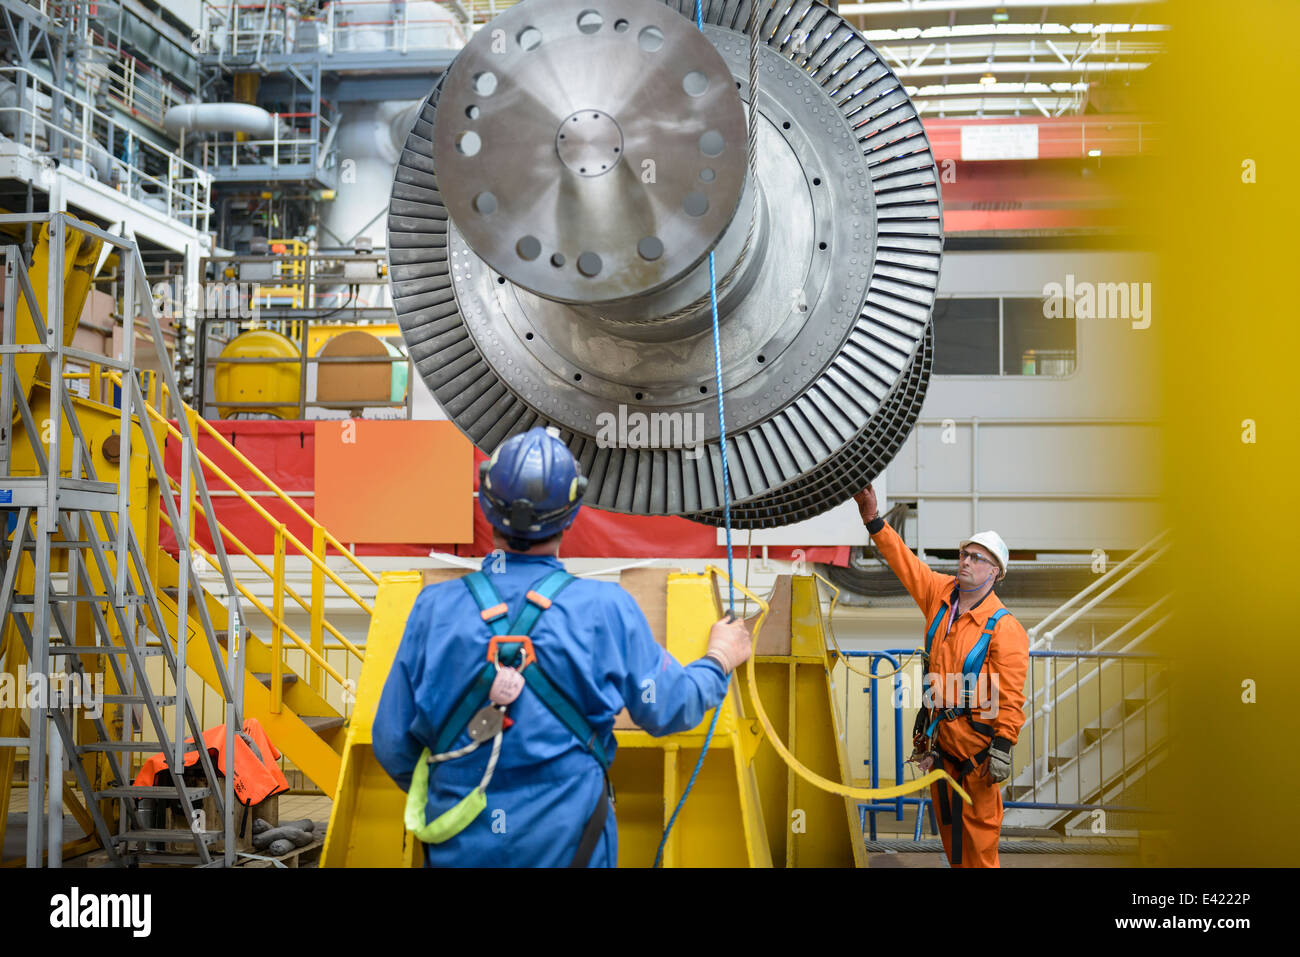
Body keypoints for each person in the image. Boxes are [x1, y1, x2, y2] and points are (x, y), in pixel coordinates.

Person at [372, 426, 752, 867]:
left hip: (459, 839)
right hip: (571, 841)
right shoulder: (605, 609)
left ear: (487, 507)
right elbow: (669, 708)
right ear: (571, 515)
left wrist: (458, 788)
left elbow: (392, 743)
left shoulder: (434, 609)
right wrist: (719, 657)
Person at [853, 484, 1028, 868]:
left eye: (976, 558)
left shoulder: (1004, 628)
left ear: (995, 572)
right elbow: (904, 561)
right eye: (964, 554)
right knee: (952, 843)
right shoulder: (940, 595)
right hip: (941, 751)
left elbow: (1012, 695)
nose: (964, 561)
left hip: (977, 758)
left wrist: (1003, 746)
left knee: (980, 848)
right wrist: (872, 518)